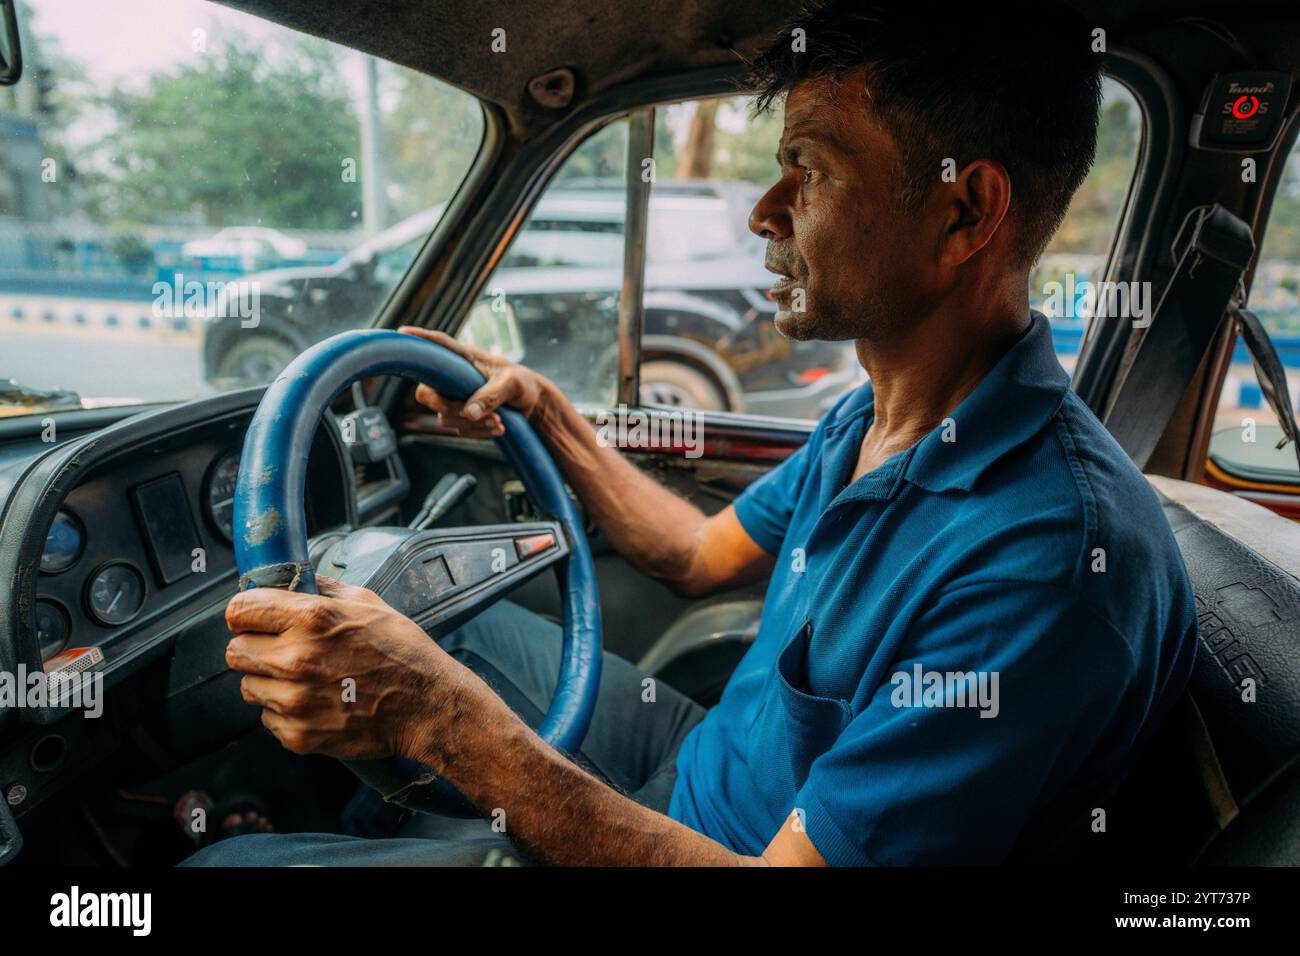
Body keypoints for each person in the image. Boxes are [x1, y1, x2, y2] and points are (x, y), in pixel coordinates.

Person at [184, 0, 1197, 867]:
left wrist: (442, 719)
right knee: (419, 611)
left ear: (963, 212)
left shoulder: (1043, 564)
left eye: (809, 169)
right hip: (696, 751)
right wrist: (543, 408)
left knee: (223, 865)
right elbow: (694, 552)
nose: (763, 211)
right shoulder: (876, 417)